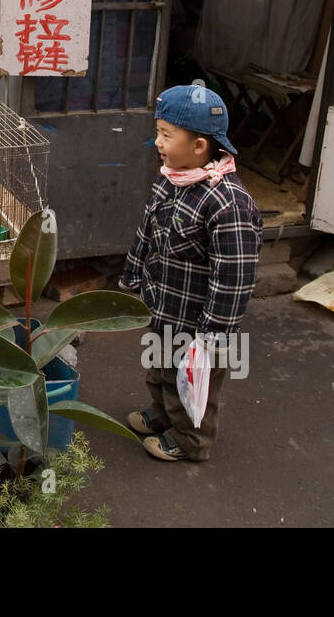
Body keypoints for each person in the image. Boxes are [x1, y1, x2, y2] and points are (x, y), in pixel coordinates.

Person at [118, 84, 262, 462]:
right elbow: (147, 230)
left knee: (194, 386)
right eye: (158, 132)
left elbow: (233, 279)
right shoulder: (172, 177)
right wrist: (132, 274)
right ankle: (164, 417)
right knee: (160, 371)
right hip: (165, 308)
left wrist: (214, 336)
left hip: (199, 326)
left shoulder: (228, 204)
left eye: (166, 135)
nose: (158, 143)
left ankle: (190, 442)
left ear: (200, 146)